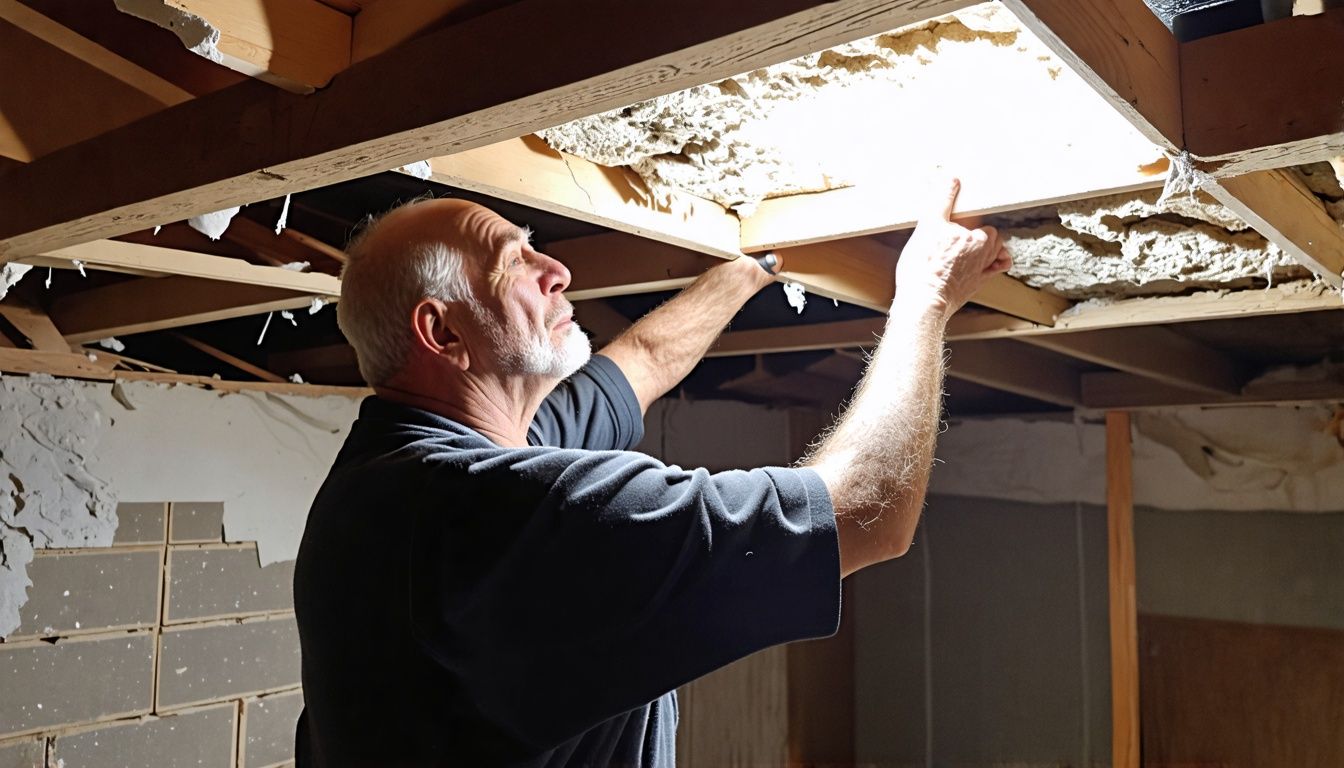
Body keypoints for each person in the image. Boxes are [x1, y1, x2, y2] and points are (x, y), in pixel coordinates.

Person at [293, 180, 1010, 766]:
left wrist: (752, 268)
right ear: (443, 333)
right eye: (514, 264)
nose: (558, 271)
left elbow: (640, 364)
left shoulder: (398, 476)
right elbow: (865, 512)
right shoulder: (508, 517)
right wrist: (925, 299)